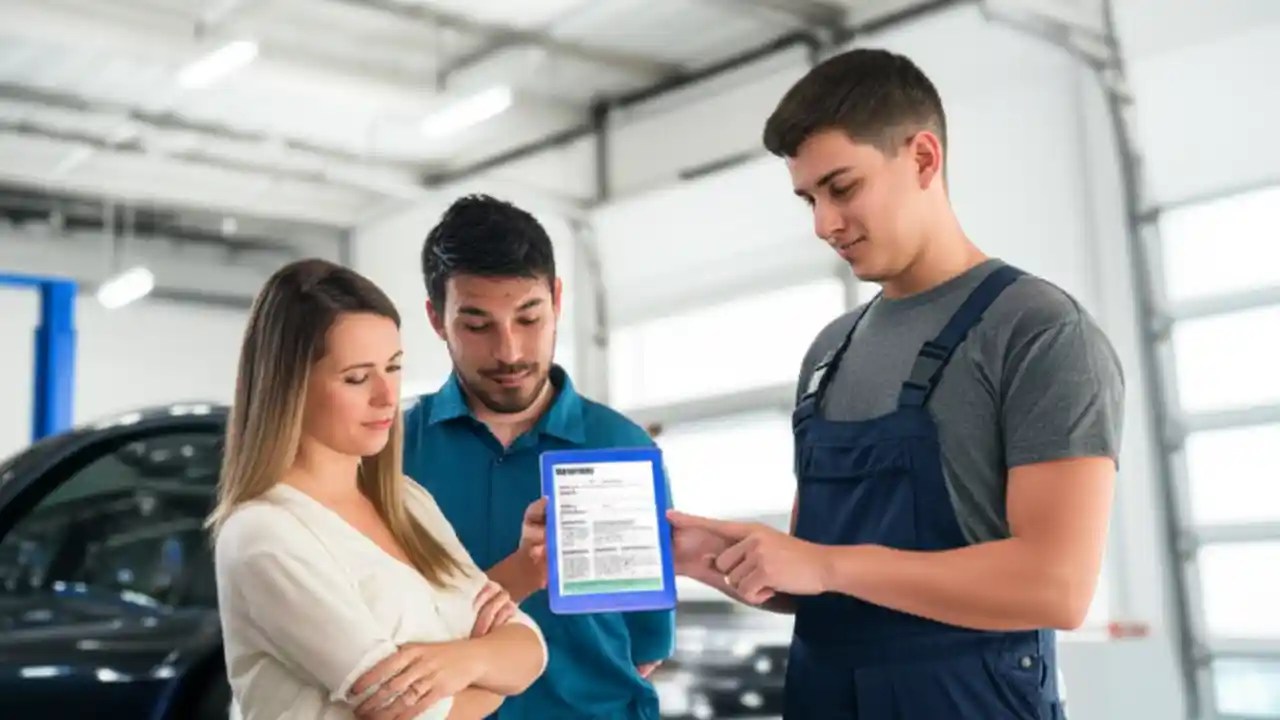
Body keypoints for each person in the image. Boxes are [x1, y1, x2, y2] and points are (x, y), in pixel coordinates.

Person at [666, 48, 1125, 719]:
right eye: (809, 199)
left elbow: (1055, 585)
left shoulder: (1038, 331)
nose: (824, 224)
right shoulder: (830, 352)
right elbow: (825, 577)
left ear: (923, 159)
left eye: (843, 188)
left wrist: (823, 565)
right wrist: (728, 560)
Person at [209, 258, 548, 720]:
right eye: (356, 377)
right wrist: (489, 675)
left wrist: (460, 661)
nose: (387, 397)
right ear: (288, 387)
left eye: (393, 368)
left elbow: (528, 649)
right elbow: (411, 713)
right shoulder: (264, 536)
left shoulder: (408, 501)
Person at [402, 195, 676, 720]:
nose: (509, 351)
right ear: (437, 319)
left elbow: (648, 648)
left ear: (556, 299)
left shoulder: (624, 447)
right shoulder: (391, 455)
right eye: (477, 325)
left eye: (529, 318)